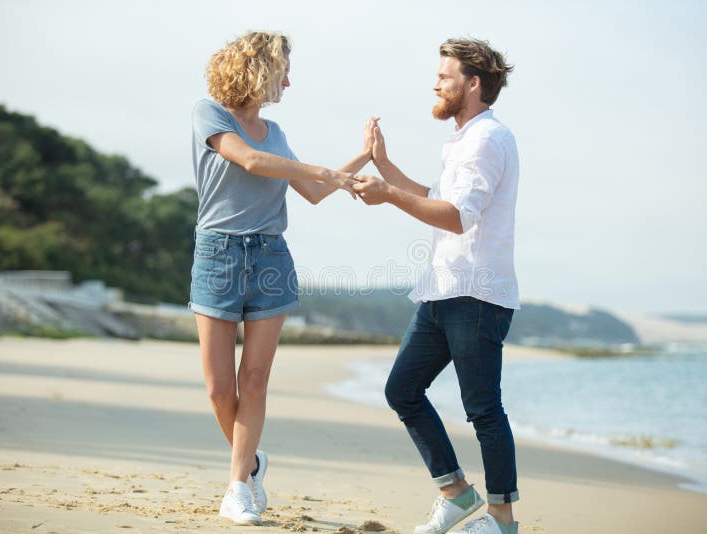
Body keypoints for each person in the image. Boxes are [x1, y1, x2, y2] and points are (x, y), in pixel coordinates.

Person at [189, 30, 374, 525]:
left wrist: (361, 159)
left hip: (270, 259)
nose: (288, 81)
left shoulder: (277, 133)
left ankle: (236, 489)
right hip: (217, 257)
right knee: (217, 389)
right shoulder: (210, 115)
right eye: (283, 71)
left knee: (254, 380)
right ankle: (250, 464)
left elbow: (311, 191)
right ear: (258, 68)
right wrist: (323, 170)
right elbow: (248, 159)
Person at [352, 38, 520, 534]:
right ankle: (456, 493)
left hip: (477, 294)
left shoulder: (488, 139)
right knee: (402, 389)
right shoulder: (464, 139)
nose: (435, 83)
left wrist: (386, 197)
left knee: (483, 408)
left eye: (444, 76)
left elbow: (457, 217)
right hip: (442, 290)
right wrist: (384, 170)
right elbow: (434, 196)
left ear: (472, 84)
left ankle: (502, 521)